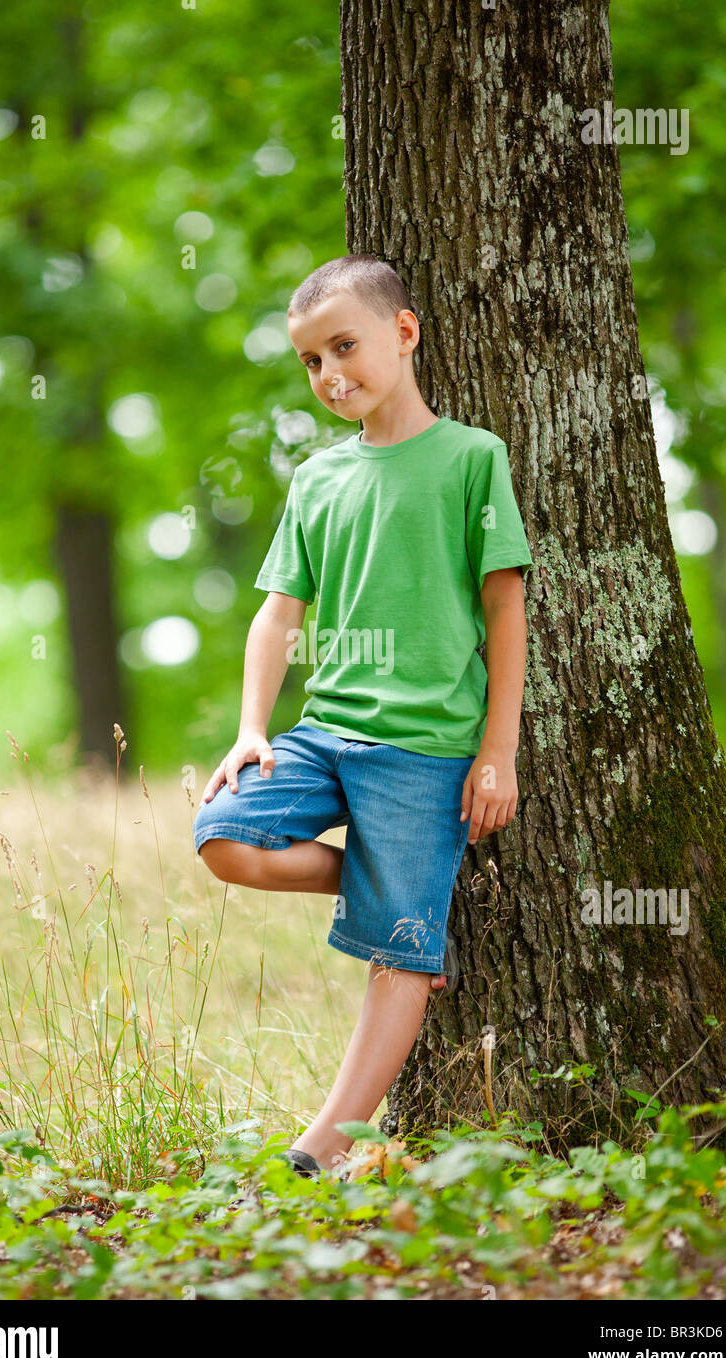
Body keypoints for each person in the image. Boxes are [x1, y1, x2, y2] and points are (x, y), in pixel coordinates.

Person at [193, 252, 532, 1178]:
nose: (329, 375)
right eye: (309, 361)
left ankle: (326, 1140)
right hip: (323, 732)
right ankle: (394, 893)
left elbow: (506, 606)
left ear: (405, 332)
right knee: (227, 836)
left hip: (425, 751)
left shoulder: (472, 458)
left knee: (401, 963)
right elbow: (276, 614)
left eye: (344, 346)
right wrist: (252, 727)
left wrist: (496, 750)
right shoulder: (317, 479)